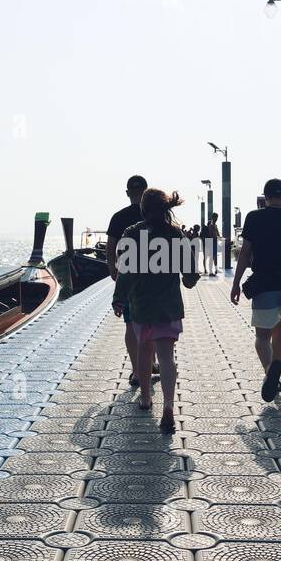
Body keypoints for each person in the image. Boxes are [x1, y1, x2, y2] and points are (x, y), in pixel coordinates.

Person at [112, 189, 199, 433]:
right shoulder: (175, 234)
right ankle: (169, 406)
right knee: (166, 357)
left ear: (142, 208)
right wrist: (190, 280)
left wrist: (119, 298)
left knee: (144, 350)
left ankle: (146, 399)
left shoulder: (132, 234)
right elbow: (190, 273)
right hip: (169, 307)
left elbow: (125, 271)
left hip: (141, 304)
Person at [230, 178, 281, 401]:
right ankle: (275, 372)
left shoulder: (254, 218)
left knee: (262, 336)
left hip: (264, 284)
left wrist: (235, 283)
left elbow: (245, 253)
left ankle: (269, 374)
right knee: (279, 329)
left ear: (265, 197)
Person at [107, 175, 151, 387]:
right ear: (147, 190)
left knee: (131, 324)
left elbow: (111, 246)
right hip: (155, 279)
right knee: (153, 324)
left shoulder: (118, 217)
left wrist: (112, 268)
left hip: (129, 280)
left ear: (127, 193)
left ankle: (136, 370)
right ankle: (150, 363)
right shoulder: (157, 215)